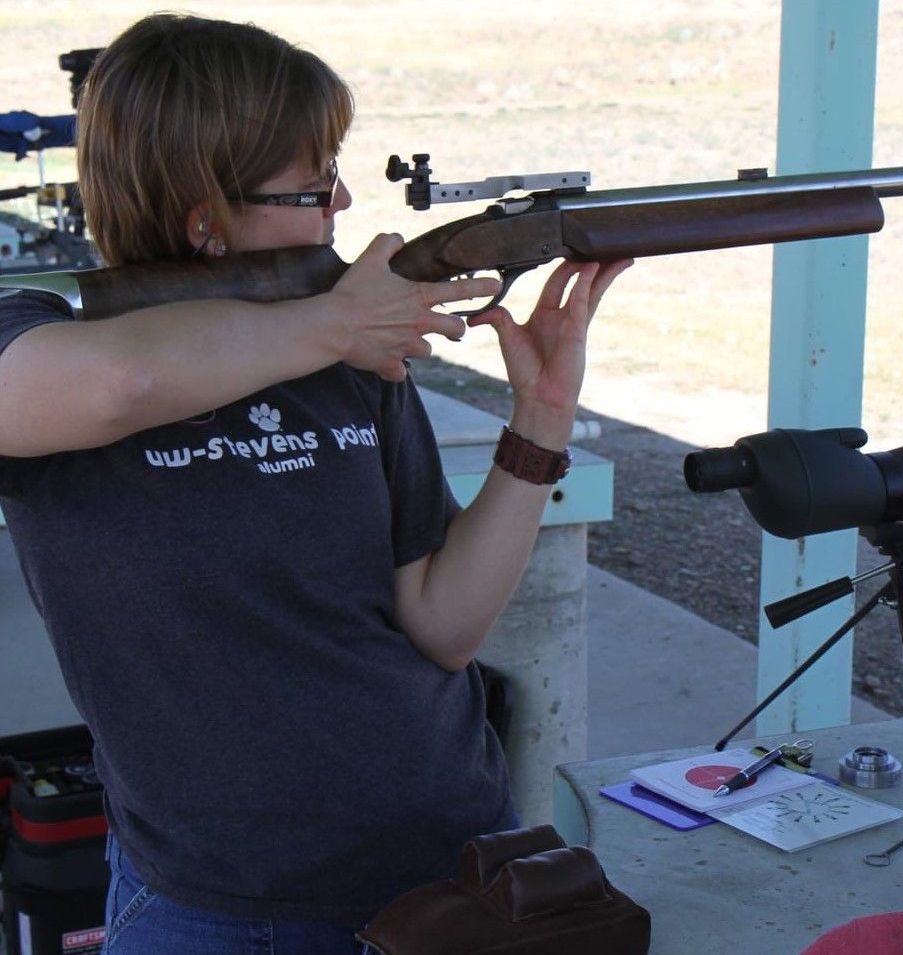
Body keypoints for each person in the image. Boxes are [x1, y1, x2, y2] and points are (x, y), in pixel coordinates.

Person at [0, 13, 629, 953]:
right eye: (311, 184)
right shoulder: (40, 333)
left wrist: (538, 423)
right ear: (204, 221)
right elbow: (119, 382)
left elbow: (444, 626)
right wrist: (337, 325)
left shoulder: (347, 352)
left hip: (449, 862)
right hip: (217, 907)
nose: (342, 201)